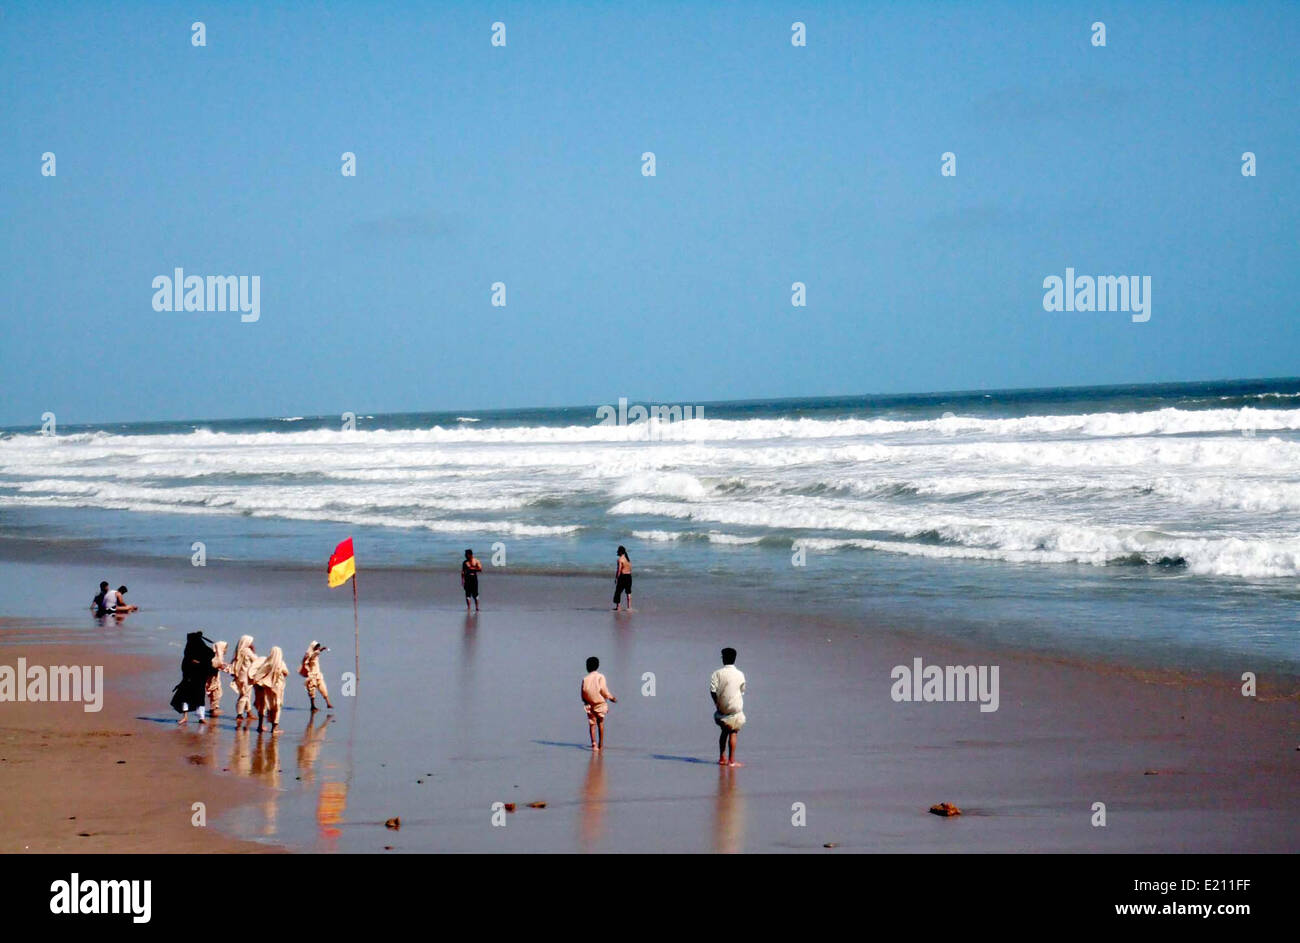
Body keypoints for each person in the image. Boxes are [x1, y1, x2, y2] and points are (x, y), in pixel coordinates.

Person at [710, 647, 746, 767]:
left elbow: (712, 690)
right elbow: (742, 690)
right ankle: (731, 760)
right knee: (733, 732)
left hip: (722, 707)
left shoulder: (717, 673)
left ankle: (721, 757)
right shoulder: (740, 674)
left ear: (723, 659)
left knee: (724, 731)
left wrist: (716, 703)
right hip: (735, 707)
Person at [171, 632, 215, 725]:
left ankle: (199, 717)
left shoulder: (196, 650)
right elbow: (186, 665)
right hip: (191, 678)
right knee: (189, 697)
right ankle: (190, 717)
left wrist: (199, 663)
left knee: (195, 697)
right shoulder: (192, 651)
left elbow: (209, 657)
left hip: (197, 678)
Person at [580, 656, 617, 751]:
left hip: (589, 704)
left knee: (592, 724)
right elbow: (603, 690)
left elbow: (583, 692)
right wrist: (611, 697)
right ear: (597, 666)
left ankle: (594, 743)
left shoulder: (585, 678)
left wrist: (585, 701)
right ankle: (601, 744)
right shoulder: (600, 677)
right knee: (600, 723)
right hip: (600, 703)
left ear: (587, 667)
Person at [250, 645, 290, 733]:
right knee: (277, 706)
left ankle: (260, 726)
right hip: (277, 689)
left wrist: (257, 683)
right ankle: (275, 727)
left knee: (263, 705)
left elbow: (259, 674)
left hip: (266, 688)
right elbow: (287, 673)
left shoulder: (267, 663)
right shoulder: (281, 663)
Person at [229, 635, 258, 722]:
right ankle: (239, 714)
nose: (252, 644)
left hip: (240, 676)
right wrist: (253, 651)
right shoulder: (247, 651)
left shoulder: (239, 651)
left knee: (246, 695)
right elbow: (256, 660)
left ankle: (249, 712)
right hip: (246, 678)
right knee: (244, 696)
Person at [300, 640, 334, 712]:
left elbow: (316, 654)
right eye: (317, 647)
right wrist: (322, 649)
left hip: (318, 674)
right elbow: (313, 655)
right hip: (312, 675)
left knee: (323, 688)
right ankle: (313, 706)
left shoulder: (315, 655)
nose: (318, 648)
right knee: (312, 691)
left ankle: (328, 703)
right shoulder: (310, 654)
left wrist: (320, 650)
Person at [206, 640, 229, 716]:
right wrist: (223, 667)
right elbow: (217, 664)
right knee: (216, 691)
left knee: (215, 691)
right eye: (225, 648)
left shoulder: (214, 655)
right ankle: (214, 708)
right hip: (213, 676)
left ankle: (214, 707)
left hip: (213, 676)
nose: (226, 650)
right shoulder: (217, 657)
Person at [612, 546, 632, 611]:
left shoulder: (620, 559)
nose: (617, 552)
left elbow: (619, 570)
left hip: (623, 577)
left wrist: (616, 578)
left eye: (618, 551)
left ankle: (618, 607)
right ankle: (629, 607)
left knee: (618, 592)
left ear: (620, 552)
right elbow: (630, 568)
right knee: (628, 592)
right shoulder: (628, 559)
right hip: (629, 576)